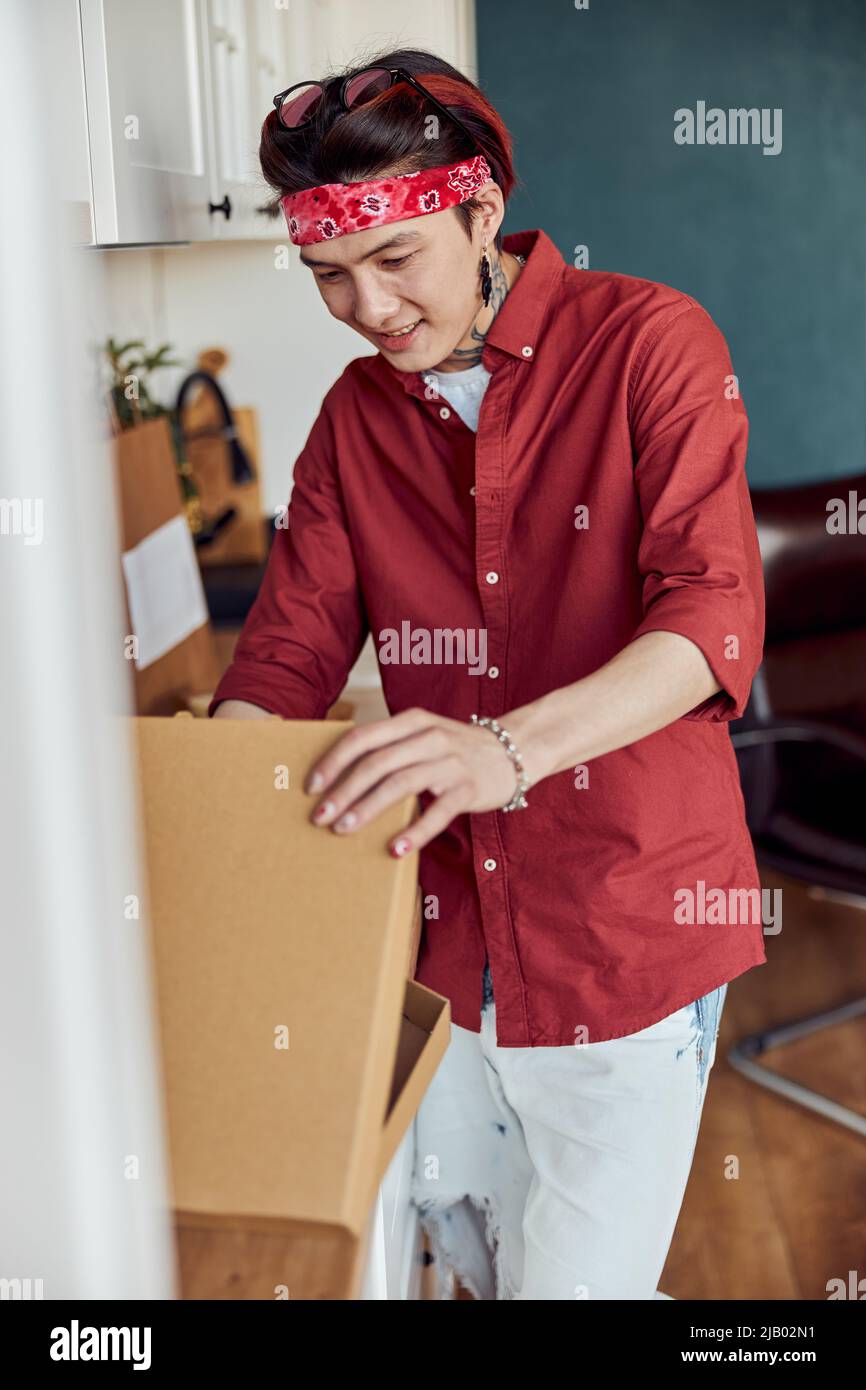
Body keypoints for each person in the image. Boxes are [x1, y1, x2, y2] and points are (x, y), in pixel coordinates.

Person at [209, 47, 767, 1300]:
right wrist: (207, 812)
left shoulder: (649, 343)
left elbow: (710, 616)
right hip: (436, 936)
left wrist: (501, 749)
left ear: (480, 210)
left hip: (626, 925)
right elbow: (286, 656)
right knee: (470, 1265)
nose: (366, 309)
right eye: (328, 277)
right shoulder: (356, 417)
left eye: (394, 259)